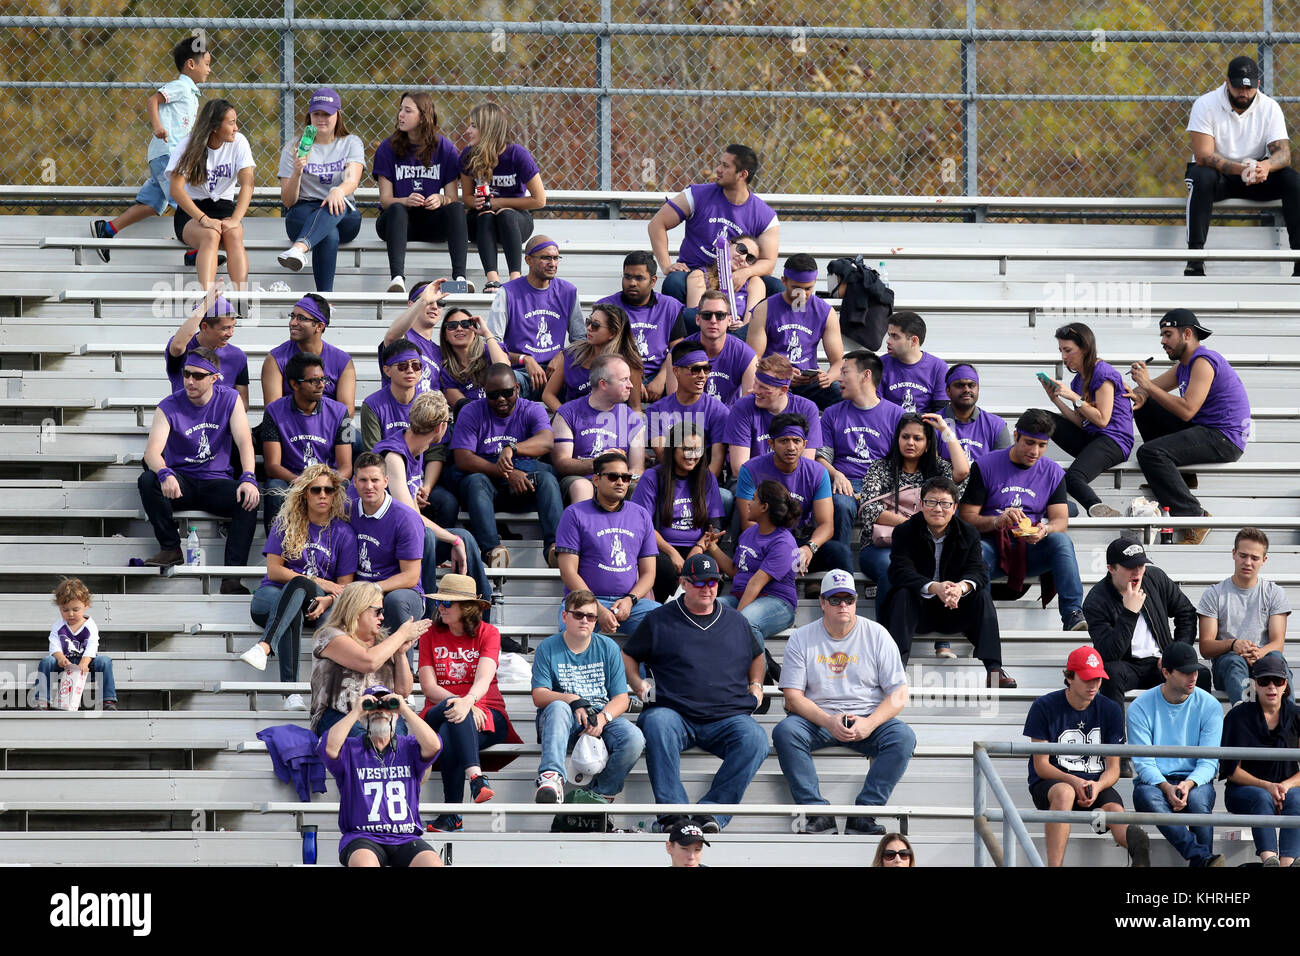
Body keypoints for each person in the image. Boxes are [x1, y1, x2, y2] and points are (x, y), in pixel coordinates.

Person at [622, 553, 768, 831]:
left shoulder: (736, 620)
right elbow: (629, 655)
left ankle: (710, 814)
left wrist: (756, 685)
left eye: (712, 582)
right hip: (675, 712)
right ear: (684, 583)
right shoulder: (659, 618)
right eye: (699, 583)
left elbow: (757, 656)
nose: (707, 588)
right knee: (655, 723)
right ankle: (674, 815)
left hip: (727, 715)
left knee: (756, 739)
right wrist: (638, 684)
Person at [774, 568, 916, 835]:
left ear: (855, 602)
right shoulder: (801, 637)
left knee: (903, 737)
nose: (843, 605)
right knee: (786, 732)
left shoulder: (877, 634)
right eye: (835, 599)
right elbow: (792, 697)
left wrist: (870, 723)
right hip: (817, 719)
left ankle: (865, 814)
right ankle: (817, 813)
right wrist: (828, 721)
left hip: (866, 717)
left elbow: (899, 693)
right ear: (822, 602)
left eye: (848, 599)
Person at [958, 408, 1088, 633]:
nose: (1035, 451)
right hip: (993, 546)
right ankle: (982, 621)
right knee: (976, 553)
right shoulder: (986, 465)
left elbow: (1060, 521)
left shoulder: (1053, 472)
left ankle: (1073, 613)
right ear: (1016, 436)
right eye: (1029, 442)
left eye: (1042, 445)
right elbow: (966, 517)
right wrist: (997, 521)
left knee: (1061, 542)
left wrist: (1044, 530)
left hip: (1029, 548)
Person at [1129, 309, 1252, 544]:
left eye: (1167, 334)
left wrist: (1147, 387)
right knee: (1143, 404)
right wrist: (1110, 390)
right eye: (1162, 335)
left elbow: (1187, 410)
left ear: (1187, 334)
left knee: (1150, 453)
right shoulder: (1184, 364)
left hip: (1224, 437)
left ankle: (1195, 518)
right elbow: (1144, 391)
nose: (1163, 341)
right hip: (1204, 429)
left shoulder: (1203, 362)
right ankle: (1183, 478)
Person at [137, 347, 259, 583]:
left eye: (198, 376)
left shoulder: (229, 399)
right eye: (186, 374)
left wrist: (249, 477)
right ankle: (171, 548)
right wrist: (164, 473)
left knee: (249, 498)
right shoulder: (168, 405)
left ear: (214, 378)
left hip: (216, 481)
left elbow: (245, 442)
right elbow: (152, 452)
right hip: (181, 482)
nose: (190, 381)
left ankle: (232, 580)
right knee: (147, 480)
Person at [241, 465, 355, 711]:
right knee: (296, 590)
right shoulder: (286, 523)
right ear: (305, 493)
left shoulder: (344, 533)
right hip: (271, 595)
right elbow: (274, 571)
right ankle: (291, 692)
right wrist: (322, 582)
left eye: (329, 490)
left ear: (336, 494)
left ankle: (266, 650)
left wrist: (327, 600)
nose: (323, 495)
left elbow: (344, 587)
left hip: (317, 604)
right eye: (316, 490)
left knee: (302, 591)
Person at [1023, 646, 1150, 867]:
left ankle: (1139, 851)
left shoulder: (1109, 709)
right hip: (1054, 785)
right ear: (1069, 677)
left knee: (1117, 813)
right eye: (1087, 679)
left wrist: (1097, 787)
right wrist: (1075, 781)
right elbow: (1041, 766)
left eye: (1098, 679)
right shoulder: (1044, 706)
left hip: (1094, 784)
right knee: (1065, 793)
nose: (1094, 685)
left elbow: (1113, 768)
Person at [883, 477, 1015, 687]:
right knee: (902, 594)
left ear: (954, 507)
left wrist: (960, 588)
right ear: (921, 504)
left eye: (945, 504)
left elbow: (979, 571)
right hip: (918, 611)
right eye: (931, 502)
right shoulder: (905, 532)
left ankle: (994, 670)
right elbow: (899, 571)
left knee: (981, 594)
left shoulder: (968, 532)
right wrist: (935, 587)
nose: (938, 509)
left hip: (955, 609)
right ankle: (896, 669)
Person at [93, 36, 212, 265]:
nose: (209, 69)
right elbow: (152, 101)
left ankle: (108, 229)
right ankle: (194, 250)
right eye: (206, 63)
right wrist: (158, 127)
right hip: (168, 153)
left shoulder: (191, 93)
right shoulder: (180, 87)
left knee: (153, 204)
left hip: (167, 155)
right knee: (185, 198)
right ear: (191, 64)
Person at [418, 574, 522, 832]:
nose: (440, 607)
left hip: (487, 712)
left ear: (467, 607)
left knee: (449, 732)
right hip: (437, 710)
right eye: (439, 602)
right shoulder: (430, 634)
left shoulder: (489, 633)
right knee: (453, 714)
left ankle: (452, 817)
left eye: (447, 603)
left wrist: (470, 701)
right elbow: (430, 689)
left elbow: (485, 677)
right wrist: (462, 702)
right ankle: (475, 777)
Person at [1184, 55, 1300, 277]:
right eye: (1237, 87)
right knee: (1201, 176)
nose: (1243, 93)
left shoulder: (1270, 107)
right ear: (1227, 82)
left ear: (1257, 84)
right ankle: (1195, 259)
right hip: (1218, 177)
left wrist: (1264, 168)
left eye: (1248, 88)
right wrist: (1243, 169)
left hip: (1257, 177)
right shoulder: (1206, 104)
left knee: (1293, 180)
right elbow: (1203, 156)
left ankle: (1299, 259)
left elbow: (1283, 155)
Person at [370, 395, 488, 609]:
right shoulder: (393, 456)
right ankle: (428, 613)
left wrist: (457, 540)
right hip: (380, 544)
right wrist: (453, 540)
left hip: (402, 539)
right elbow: (411, 518)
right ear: (440, 427)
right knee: (428, 535)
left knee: (466, 537)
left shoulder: (417, 449)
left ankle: (481, 622)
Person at [531, 589, 646, 803]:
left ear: (596, 621)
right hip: (562, 719)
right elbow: (539, 695)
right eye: (578, 615)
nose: (585, 620)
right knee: (557, 707)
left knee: (634, 738)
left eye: (591, 617)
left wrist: (602, 719)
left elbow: (621, 698)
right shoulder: (547, 647)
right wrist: (572, 700)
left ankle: (600, 794)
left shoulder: (609, 647)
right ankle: (551, 778)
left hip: (599, 716)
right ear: (565, 616)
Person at [857, 412, 968, 634]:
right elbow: (869, 510)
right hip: (880, 546)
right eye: (905, 436)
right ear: (897, 438)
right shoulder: (881, 468)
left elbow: (963, 472)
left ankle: (934, 633)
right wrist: (914, 525)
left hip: (925, 549)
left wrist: (945, 431)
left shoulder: (939, 471)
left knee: (940, 566)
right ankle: (884, 637)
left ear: (928, 444)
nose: (910, 442)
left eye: (918, 438)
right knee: (893, 569)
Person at [451, 363, 563, 569]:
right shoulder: (471, 411)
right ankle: (493, 551)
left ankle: (555, 549)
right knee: (475, 481)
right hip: (486, 487)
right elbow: (462, 458)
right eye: (493, 395)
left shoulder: (532, 409)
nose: (501, 399)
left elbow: (546, 441)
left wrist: (511, 448)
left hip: (522, 485)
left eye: (507, 392)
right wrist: (506, 473)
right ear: (485, 392)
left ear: (517, 388)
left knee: (547, 479)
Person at [319, 684, 444, 867]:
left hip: (406, 837)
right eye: (373, 707)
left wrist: (404, 709)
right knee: (365, 864)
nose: (380, 711)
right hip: (363, 836)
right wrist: (356, 711)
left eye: (387, 706)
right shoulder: (350, 749)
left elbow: (434, 746)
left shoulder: (409, 746)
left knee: (432, 864)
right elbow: (329, 747)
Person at [1127, 643, 1226, 867]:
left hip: (1195, 779)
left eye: (1195, 670)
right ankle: (1202, 858)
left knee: (1199, 806)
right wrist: (1167, 787)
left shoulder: (1209, 705)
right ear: (1166, 672)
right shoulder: (1140, 707)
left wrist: (1188, 784)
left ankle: (1202, 859)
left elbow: (1209, 762)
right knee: (1150, 797)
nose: (1193, 677)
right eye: (1185, 672)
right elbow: (1143, 764)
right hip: (1155, 782)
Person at [648, 145, 780, 306]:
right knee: (674, 282)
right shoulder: (697, 195)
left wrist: (745, 273)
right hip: (693, 273)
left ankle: (748, 329)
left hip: (737, 276)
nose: (717, 169)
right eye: (720, 164)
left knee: (776, 287)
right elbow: (657, 224)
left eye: (725, 166)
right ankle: (683, 330)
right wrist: (666, 265)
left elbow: (768, 261)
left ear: (742, 174)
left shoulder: (764, 215)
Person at [1085, 537, 1207, 708]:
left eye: (1141, 565)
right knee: (1109, 673)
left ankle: (1196, 732)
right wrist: (1129, 612)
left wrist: (1174, 654)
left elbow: (1186, 612)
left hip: (1162, 662)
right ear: (1111, 568)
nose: (1137, 572)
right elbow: (1109, 653)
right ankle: (1117, 735)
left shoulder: (1155, 577)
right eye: (1129, 567)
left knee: (1201, 674)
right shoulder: (1096, 600)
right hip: (1127, 666)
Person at [555, 450, 661, 637]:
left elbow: (649, 573)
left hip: (631, 604)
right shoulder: (574, 514)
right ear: (596, 480)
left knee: (665, 625)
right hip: (583, 602)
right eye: (613, 476)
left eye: (626, 477)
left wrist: (630, 600)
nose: (620, 482)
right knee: (576, 634)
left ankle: (638, 667)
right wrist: (595, 607)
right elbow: (568, 571)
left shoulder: (641, 515)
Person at [374, 91, 470, 294]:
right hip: (397, 223)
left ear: (423, 116)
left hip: (431, 223)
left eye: (408, 111)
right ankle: (397, 278)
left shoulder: (444, 148)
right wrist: (405, 200)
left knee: (456, 208)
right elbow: (385, 201)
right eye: (400, 109)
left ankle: (460, 277)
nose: (401, 114)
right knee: (398, 209)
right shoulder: (387, 147)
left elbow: (452, 197)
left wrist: (441, 199)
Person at [737, 414, 853, 577]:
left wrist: (809, 548)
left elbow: (826, 525)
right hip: (765, 544)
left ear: (805, 444)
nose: (791, 447)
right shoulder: (751, 469)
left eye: (796, 441)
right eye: (784, 441)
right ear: (771, 443)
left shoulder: (817, 472)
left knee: (839, 552)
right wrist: (781, 550)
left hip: (801, 541)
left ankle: (845, 598)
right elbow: (749, 523)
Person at [1038, 323, 1133, 518]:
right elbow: (1082, 422)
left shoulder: (1102, 371)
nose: (1064, 357)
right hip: (1092, 437)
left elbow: (1102, 420)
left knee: (1073, 477)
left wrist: (1074, 397)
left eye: (1068, 350)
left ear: (1085, 348)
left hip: (1114, 440)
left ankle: (1099, 509)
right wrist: (1055, 399)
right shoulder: (1077, 381)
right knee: (1040, 417)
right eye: (1061, 351)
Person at [308, 580, 425, 737]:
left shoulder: (384, 642)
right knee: (365, 741)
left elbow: (403, 691)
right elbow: (368, 662)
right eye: (378, 611)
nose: (382, 617)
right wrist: (402, 634)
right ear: (357, 610)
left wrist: (400, 653)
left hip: (382, 714)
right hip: (339, 714)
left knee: (397, 740)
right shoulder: (329, 635)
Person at [275, 87, 364, 292]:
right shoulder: (294, 147)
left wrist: (338, 191)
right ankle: (325, 300)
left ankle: (299, 248)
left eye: (327, 114)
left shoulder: (350, 142)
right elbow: (288, 201)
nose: (321, 118)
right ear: (310, 116)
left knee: (337, 204)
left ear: (337, 115)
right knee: (328, 233)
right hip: (304, 211)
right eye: (316, 114)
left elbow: (352, 179)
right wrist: (297, 172)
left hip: (344, 213)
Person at [630, 420, 725, 604]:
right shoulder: (653, 477)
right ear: (672, 449)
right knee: (664, 569)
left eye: (697, 450)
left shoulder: (706, 478)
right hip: (660, 547)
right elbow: (642, 524)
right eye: (686, 449)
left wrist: (697, 550)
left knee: (709, 573)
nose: (692, 455)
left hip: (697, 546)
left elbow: (715, 526)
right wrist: (672, 553)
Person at [820, 350, 904, 554]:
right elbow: (822, 457)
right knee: (840, 504)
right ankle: (838, 571)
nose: (839, 378)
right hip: (845, 483)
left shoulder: (897, 415)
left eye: (845, 372)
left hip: (883, 485)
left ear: (866, 375)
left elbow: (904, 460)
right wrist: (836, 474)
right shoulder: (832, 413)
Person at [166, 98, 254, 291]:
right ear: (214, 127)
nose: (236, 128)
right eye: (231, 123)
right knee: (211, 235)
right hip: (192, 210)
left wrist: (235, 219)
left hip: (223, 207)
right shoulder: (189, 145)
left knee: (234, 233)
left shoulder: (239, 142)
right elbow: (176, 189)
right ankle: (207, 300)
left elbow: (248, 183)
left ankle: (241, 299)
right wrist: (204, 219)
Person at [1220, 655, 1300, 866]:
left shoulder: (1297, 715)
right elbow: (1231, 771)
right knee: (1261, 797)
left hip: (1286, 789)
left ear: (1285, 685)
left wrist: (1284, 785)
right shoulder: (1237, 717)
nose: (1271, 687)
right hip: (1244, 791)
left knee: (1297, 798)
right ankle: (1269, 860)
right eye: (1265, 681)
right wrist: (1267, 786)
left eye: (1278, 681)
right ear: (1254, 685)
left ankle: (1288, 863)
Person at [698, 479, 798, 645]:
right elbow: (735, 570)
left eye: (754, 499)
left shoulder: (783, 542)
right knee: (703, 610)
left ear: (765, 507)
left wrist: (735, 619)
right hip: (741, 596)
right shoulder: (749, 533)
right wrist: (713, 547)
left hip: (777, 602)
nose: (749, 504)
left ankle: (762, 671)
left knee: (746, 622)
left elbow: (756, 583)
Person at [1198, 527, 1292, 705]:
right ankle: (1248, 724)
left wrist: (1259, 653)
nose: (1248, 562)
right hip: (1227, 665)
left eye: (1254, 558)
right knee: (1234, 661)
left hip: (1265, 661)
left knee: (1276, 660)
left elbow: (1277, 643)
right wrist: (1234, 644)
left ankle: (1289, 725)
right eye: (1243, 555)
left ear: (1264, 560)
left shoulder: (1274, 593)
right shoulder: (1214, 594)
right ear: (1234, 554)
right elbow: (1206, 647)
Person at [261, 351, 352, 532]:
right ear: (294, 384)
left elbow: (346, 467)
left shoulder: (341, 412)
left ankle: (339, 546)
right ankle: (275, 550)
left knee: (347, 487)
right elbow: (272, 466)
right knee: (273, 487)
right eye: (313, 381)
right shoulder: (273, 411)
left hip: (328, 479)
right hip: (291, 480)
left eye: (323, 379)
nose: (321, 385)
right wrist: (301, 482)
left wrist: (324, 483)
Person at [459, 102, 546, 289]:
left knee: (505, 213)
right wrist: (477, 202)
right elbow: (466, 197)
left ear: (488, 129)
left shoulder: (517, 154)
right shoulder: (468, 155)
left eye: (473, 126)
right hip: (482, 222)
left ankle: (515, 279)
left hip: (514, 222)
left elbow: (539, 200)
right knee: (486, 216)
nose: (467, 131)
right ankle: (493, 279)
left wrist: (499, 203)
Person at [485, 235, 584, 399]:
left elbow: (581, 340)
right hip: (520, 373)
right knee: (502, 383)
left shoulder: (568, 291)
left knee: (592, 379)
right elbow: (492, 343)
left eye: (555, 258)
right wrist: (525, 359)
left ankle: (568, 421)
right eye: (546, 258)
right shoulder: (507, 292)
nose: (552, 264)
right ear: (528, 260)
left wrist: (563, 355)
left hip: (557, 372)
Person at [746, 254, 844, 409]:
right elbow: (753, 359)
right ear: (784, 281)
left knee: (844, 395)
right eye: (797, 288)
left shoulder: (825, 312)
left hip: (809, 381)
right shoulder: (764, 309)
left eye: (808, 288)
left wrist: (829, 377)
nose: (802, 294)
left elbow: (838, 362)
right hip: (774, 380)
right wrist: (780, 374)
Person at [346, 453, 427, 633]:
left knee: (395, 602)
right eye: (363, 480)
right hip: (360, 589)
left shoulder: (406, 519)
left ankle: (401, 660)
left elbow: (411, 576)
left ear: (386, 481)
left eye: (375, 480)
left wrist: (372, 589)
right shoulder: (346, 511)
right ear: (354, 481)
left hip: (401, 591)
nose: (369, 486)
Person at [552, 355, 647, 504]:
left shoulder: (632, 419)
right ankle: (585, 527)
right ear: (603, 384)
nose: (631, 385)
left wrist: (616, 476)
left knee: (637, 488)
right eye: (624, 380)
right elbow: (562, 463)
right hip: (581, 479)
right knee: (581, 486)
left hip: (618, 481)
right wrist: (599, 464)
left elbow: (637, 468)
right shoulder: (567, 413)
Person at [597, 250, 689, 403]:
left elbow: (677, 350)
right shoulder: (605, 307)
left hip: (658, 375)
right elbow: (600, 352)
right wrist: (629, 380)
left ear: (653, 281)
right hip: (617, 377)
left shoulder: (670, 307)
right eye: (627, 277)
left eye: (639, 278)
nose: (632, 283)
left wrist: (661, 379)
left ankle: (678, 425)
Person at [647, 342, 732, 484]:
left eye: (706, 369)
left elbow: (717, 461)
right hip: (669, 480)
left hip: (704, 482)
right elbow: (663, 455)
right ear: (676, 371)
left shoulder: (719, 411)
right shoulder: (656, 410)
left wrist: (698, 489)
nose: (703, 375)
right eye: (695, 370)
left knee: (726, 498)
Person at [723, 354, 822, 475]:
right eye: (755, 383)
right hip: (750, 482)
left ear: (784, 390)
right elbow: (739, 469)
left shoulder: (807, 409)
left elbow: (806, 464)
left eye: (764, 387)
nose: (755, 390)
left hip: (791, 482)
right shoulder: (743, 407)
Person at [261, 294, 356, 417]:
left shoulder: (343, 361)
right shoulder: (275, 359)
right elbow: (273, 410)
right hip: (289, 427)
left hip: (329, 428)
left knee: (354, 436)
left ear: (319, 326)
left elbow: (347, 411)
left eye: (301, 318)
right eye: (293, 316)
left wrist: (317, 428)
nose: (292, 322)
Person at [542, 303, 645, 413]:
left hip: (610, 424)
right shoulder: (572, 354)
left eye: (595, 325)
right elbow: (548, 394)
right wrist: (566, 417)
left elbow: (635, 407)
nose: (589, 328)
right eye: (588, 322)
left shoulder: (629, 363)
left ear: (613, 333)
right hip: (574, 422)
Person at [35, 578, 116, 711]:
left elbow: (92, 645)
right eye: (65, 610)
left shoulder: (90, 625)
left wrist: (84, 662)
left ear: (86, 605)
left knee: (105, 661)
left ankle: (108, 700)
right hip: (65, 663)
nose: (70, 614)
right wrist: (60, 658)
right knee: (47, 661)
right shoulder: (58, 626)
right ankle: (42, 700)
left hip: (85, 664)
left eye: (75, 609)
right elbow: (54, 645)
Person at [163, 287, 249, 407]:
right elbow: (177, 346)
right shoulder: (184, 346)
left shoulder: (237, 356)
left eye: (233, 326)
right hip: (186, 421)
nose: (231, 333)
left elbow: (242, 404)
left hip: (221, 423)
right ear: (204, 326)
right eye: (225, 328)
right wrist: (205, 306)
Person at [682, 291, 758, 407]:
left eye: (720, 315)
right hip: (692, 420)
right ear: (697, 319)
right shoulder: (680, 353)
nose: (713, 320)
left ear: (729, 320)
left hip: (729, 420)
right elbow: (677, 406)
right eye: (707, 315)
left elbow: (749, 408)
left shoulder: (745, 355)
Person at [379, 279, 448, 396]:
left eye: (439, 302)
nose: (435, 306)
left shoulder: (440, 352)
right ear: (411, 305)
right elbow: (391, 337)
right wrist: (424, 301)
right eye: (429, 301)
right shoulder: (403, 338)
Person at [685, 232, 767, 322]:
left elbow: (750, 325)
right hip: (708, 330)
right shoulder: (699, 275)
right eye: (741, 249)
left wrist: (741, 326)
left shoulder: (754, 283)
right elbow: (696, 319)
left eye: (750, 258)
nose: (743, 258)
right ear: (729, 244)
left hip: (738, 334)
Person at [939, 364, 1010, 465]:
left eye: (971, 385)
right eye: (959, 385)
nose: (966, 390)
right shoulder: (934, 424)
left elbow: (1002, 467)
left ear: (978, 389)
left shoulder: (996, 425)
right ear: (948, 391)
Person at [879, 311, 949, 414]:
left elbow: (941, 412)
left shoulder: (938, 367)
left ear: (914, 341)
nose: (888, 341)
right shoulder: (881, 364)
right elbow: (876, 408)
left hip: (924, 427)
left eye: (895, 336)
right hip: (889, 427)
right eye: (889, 335)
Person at [360, 340, 423, 452]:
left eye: (416, 365)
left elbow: (434, 453)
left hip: (423, 469)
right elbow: (375, 454)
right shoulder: (372, 405)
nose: (410, 370)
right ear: (387, 370)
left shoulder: (428, 403)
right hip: (386, 467)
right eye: (402, 366)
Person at [438, 308, 509, 407]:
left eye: (465, 324)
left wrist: (487, 333)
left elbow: (504, 368)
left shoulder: (489, 350)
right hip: (475, 419)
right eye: (452, 325)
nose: (459, 328)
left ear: (475, 331)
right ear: (445, 335)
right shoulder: (447, 371)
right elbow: (463, 408)